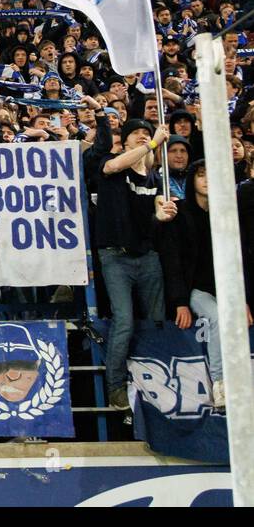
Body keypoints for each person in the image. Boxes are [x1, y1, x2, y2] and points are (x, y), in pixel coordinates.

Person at [91, 118, 177, 410]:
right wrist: (152, 142)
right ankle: (116, 387)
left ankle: (159, 381)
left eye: (146, 133)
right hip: (115, 256)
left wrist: (162, 216)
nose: (143, 136)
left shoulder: (155, 180)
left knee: (156, 320)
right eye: (136, 134)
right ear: (125, 141)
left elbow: (155, 213)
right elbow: (114, 166)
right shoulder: (111, 165)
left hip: (147, 256)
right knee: (124, 321)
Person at [163, 160, 254, 409]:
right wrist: (180, 302)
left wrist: (243, 300)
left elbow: (239, 258)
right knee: (217, 317)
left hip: (226, 288)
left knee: (234, 318)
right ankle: (221, 384)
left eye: (211, 175)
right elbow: (173, 262)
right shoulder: (180, 212)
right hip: (195, 288)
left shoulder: (226, 215)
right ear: (192, 180)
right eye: (201, 175)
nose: (206, 180)